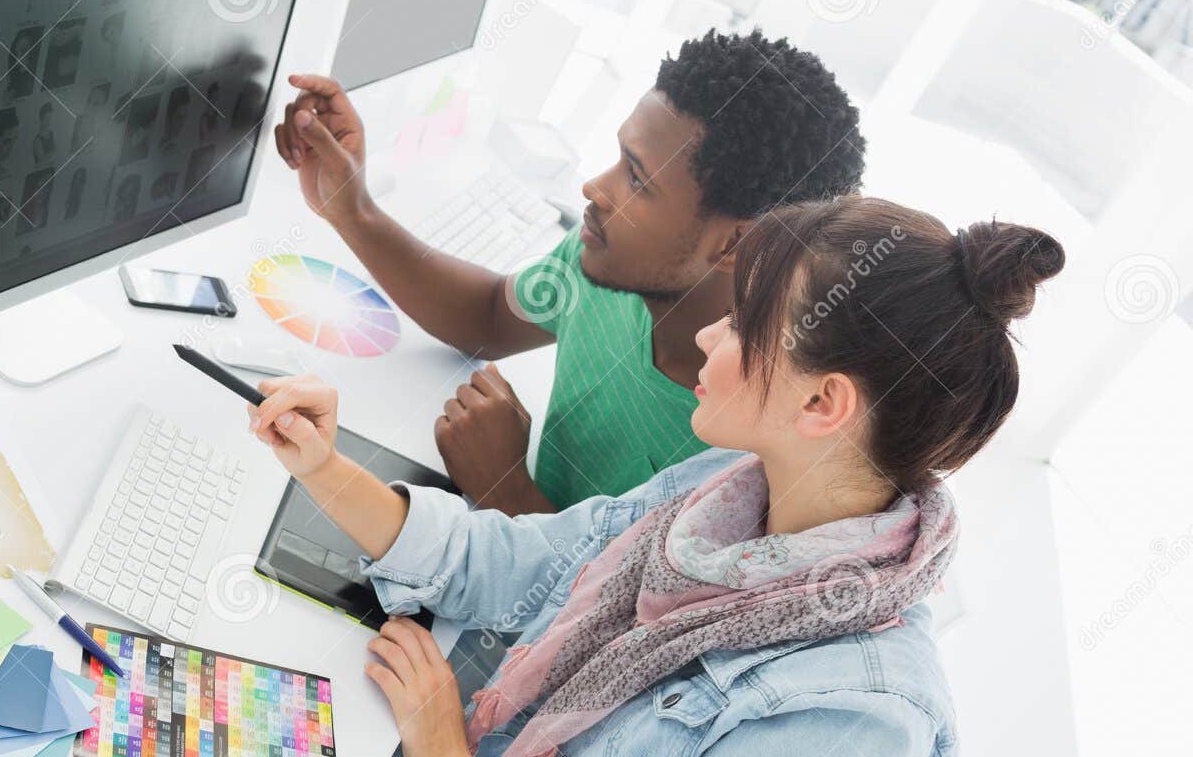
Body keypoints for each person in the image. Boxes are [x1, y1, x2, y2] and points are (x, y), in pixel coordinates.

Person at [242, 196, 1063, 757]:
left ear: (823, 405)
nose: (709, 335)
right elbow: (513, 565)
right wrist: (324, 466)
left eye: (743, 324)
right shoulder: (718, 495)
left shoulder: (864, 716)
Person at [274, 29, 866, 515]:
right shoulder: (611, 267)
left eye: (637, 179)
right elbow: (486, 317)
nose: (595, 187)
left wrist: (507, 490)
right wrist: (353, 211)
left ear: (736, 241)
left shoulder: (754, 449)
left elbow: (628, 629)